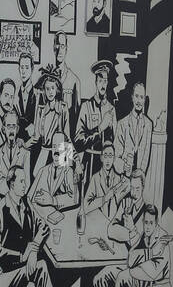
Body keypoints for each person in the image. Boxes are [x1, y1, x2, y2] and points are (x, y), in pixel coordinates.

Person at [75, 60, 117, 197]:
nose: (103, 84)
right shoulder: (86, 107)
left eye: (105, 81)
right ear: (95, 82)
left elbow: (115, 141)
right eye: (100, 80)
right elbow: (78, 141)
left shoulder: (111, 109)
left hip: (106, 166)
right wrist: (99, 128)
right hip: (90, 164)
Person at [30, 131, 79, 216]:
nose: (56, 151)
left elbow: (75, 198)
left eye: (60, 147)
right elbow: (30, 197)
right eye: (54, 146)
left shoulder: (69, 172)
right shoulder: (43, 170)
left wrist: (53, 200)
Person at [0, 110, 30, 203]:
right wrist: (12, 189)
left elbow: (26, 184)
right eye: (8, 126)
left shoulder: (25, 153)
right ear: (3, 129)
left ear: (17, 129)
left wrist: (3, 177)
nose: (11, 130)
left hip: (18, 202)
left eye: (14, 126)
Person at [115, 82, 153, 178]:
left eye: (142, 97)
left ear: (145, 100)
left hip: (139, 178)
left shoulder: (148, 124)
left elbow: (146, 153)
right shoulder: (122, 123)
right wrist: (123, 167)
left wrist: (141, 173)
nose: (139, 101)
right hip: (123, 176)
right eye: (136, 96)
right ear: (132, 97)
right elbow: (117, 154)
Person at [85, 142, 128, 219]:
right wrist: (104, 198)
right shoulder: (95, 178)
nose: (108, 160)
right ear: (101, 158)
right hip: (98, 221)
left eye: (110, 156)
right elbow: (86, 205)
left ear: (114, 158)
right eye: (105, 156)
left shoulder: (119, 179)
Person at [52, 32, 81, 138]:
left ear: (67, 49)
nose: (60, 50)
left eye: (63, 46)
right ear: (53, 47)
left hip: (67, 137)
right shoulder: (45, 78)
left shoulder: (74, 80)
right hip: (49, 137)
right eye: (57, 45)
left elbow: (77, 116)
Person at [14, 51, 38, 144]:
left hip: (33, 144)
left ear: (32, 69)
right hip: (17, 143)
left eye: (27, 67)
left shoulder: (38, 95)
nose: (23, 71)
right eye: (21, 67)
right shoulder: (15, 94)